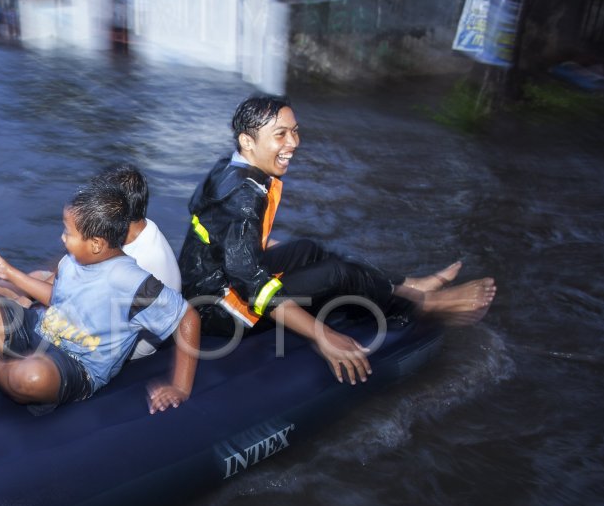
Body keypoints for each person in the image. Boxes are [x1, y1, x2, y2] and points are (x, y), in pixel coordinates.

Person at [178, 94, 497, 385]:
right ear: (248, 142)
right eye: (281, 134)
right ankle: (424, 304)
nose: (294, 142)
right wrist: (323, 336)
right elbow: (253, 286)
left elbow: (225, 237)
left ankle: (409, 284)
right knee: (336, 274)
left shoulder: (233, 167)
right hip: (217, 308)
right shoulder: (243, 197)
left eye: (294, 130)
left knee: (308, 249)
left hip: (214, 279)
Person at [0, 180, 201, 423]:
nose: (62, 238)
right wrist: (7, 276)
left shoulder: (132, 281)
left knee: (31, 379)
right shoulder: (75, 261)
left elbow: (188, 318)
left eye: (69, 233)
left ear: (97, 244)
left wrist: (179, 386)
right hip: (39, 329)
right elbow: (58, 298)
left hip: (76, 366)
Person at [0, 163, 182, 359]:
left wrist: (21, 290)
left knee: (23, 320)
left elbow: (73, 306)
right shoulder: (133, 230)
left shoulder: (140, 264)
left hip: (121, 344)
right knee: (37, 276)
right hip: (98, 306)